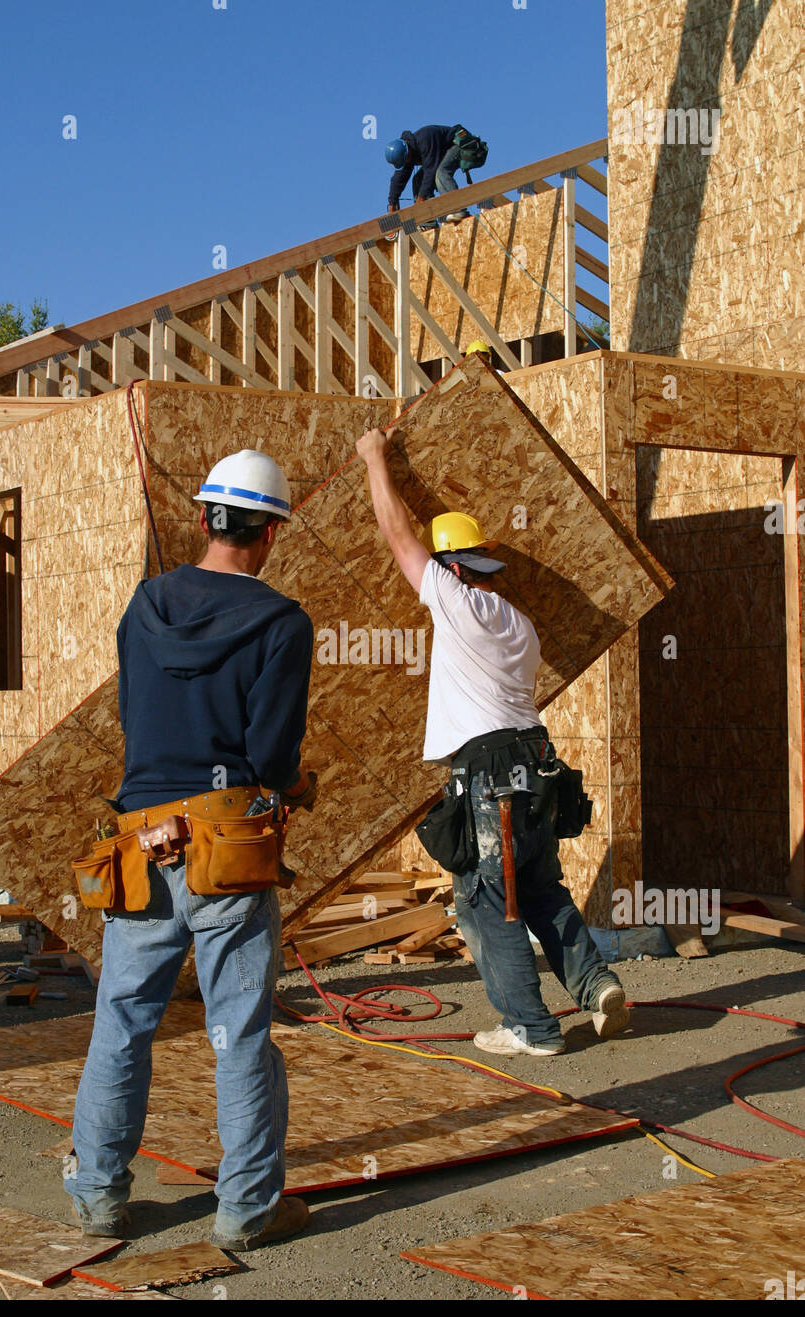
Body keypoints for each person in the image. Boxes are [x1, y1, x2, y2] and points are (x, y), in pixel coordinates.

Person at [65, 448, 316, 1248]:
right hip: (226, 850)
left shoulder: (144, 604)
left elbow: (138, 716)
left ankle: (100, 1195)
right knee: (237, 1031)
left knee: (122, 1022)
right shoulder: (280, 622)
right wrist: (292, 782)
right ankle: (245, 1210)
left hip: (139, 841)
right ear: (269, 533)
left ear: (206, 517)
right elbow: (271, 758)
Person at [355, 427, 632, 1058]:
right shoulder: (520, 623)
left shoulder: (457, 604)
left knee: (487, 898)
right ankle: (597, 986)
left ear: (452, 568)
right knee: (540, 888)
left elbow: (400, 536)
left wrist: (375, 457)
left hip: (492, 773)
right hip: (537, 762)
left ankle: (531, 1029)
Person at [386, 126, 472, 224]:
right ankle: (427, 223)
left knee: (441, 173)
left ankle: (458, 210)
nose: (407, 162)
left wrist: (420, 201)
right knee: (418, 180)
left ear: (407, 149)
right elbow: (398, 180)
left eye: (406, 159)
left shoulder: (425, 140)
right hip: (441, 154)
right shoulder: (406, 154)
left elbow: (430, 172)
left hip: (458, 144)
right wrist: (392, 206)